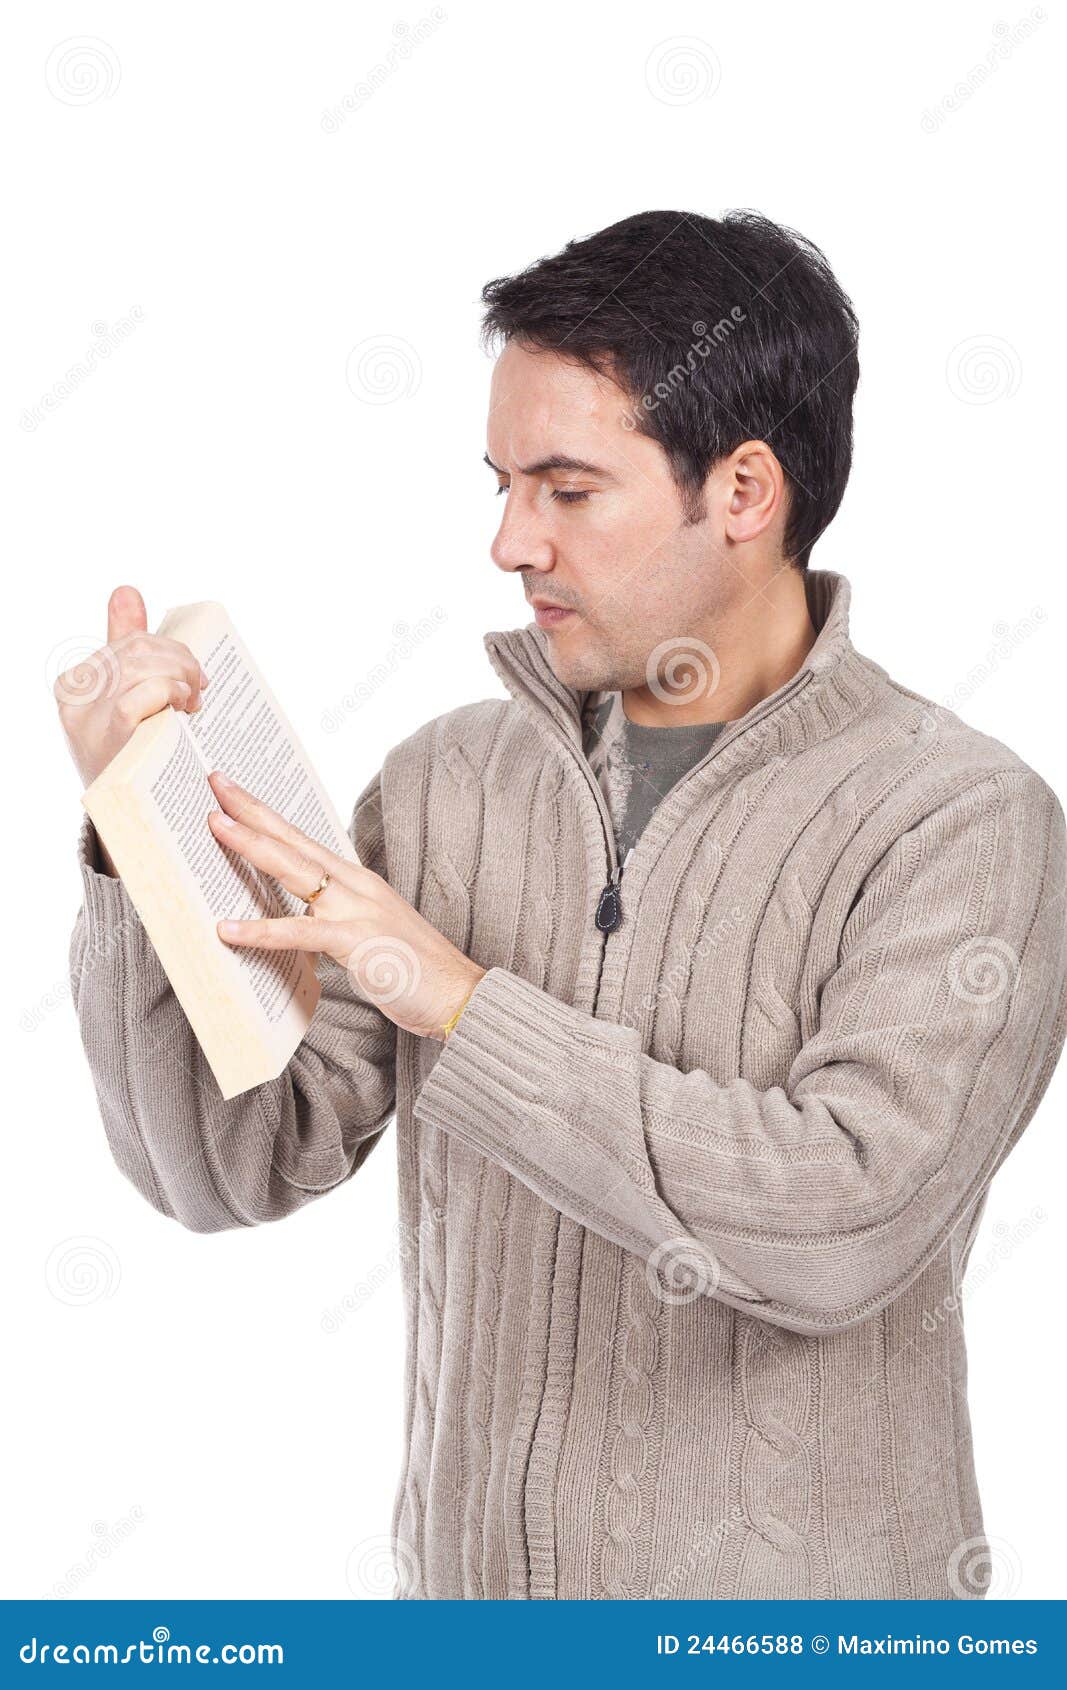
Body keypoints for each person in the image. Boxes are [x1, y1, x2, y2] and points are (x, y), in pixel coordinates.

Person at [60, 210, 1067, 1601]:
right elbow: (225, 1168)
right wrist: (137, 835)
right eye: (500, 482)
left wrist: (461, 1007)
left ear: (746, 491)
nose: (506, 540)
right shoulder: (441, 789)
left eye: (566, 488)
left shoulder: (961, 819)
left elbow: (841, 1222)